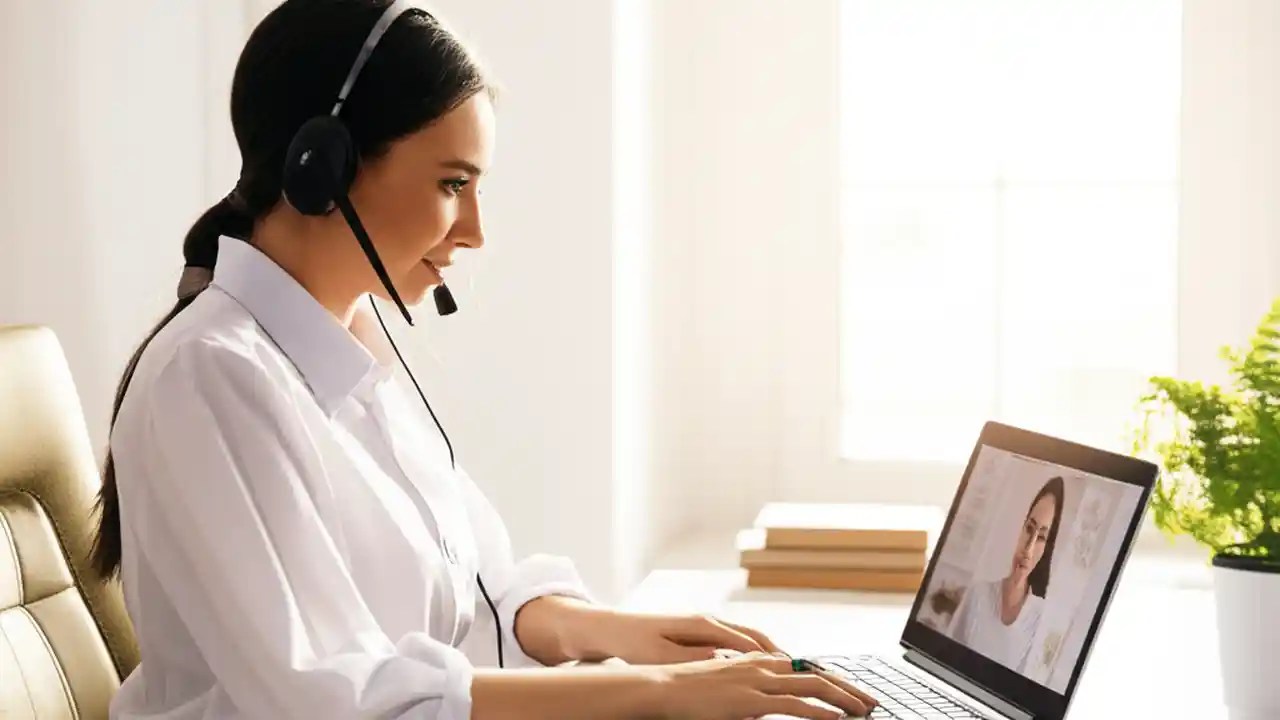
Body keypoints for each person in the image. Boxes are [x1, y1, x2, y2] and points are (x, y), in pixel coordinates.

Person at [92, 2, 876, 719]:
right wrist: (656, 694)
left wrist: (614, 634)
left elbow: (478, 587)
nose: (474, 230)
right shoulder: (212, 377)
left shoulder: (351, 346)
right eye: (451, 184)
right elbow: (337, 702)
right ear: (321, 167)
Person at [949, 476, 1065, 673]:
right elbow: (948, 661)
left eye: (1042, 537)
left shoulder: (1042, 621)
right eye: (1029, 529)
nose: (1028, 549)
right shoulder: (978, 593)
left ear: (1047, 548)